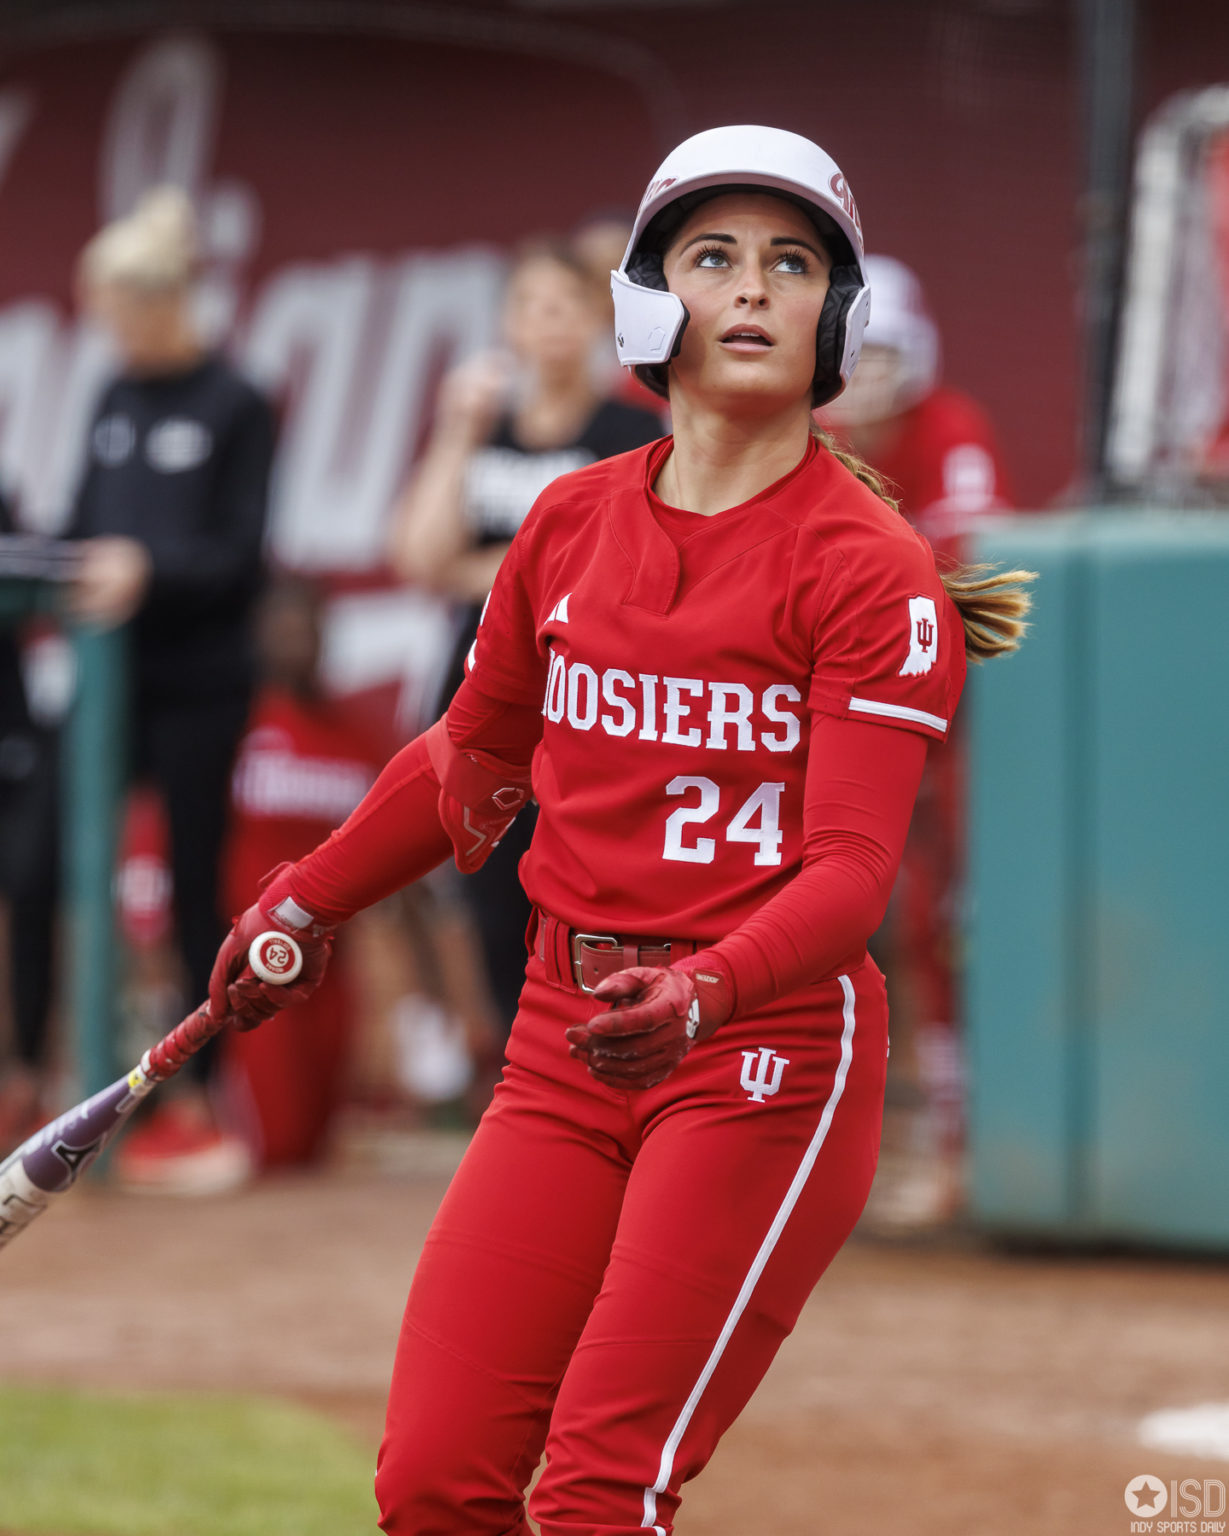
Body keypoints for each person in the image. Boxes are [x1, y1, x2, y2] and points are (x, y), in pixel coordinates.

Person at [209, 126, 1033, 1533]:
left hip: (756, 1057)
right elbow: (472, 757)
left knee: (599, 1493)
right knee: (431, 1485)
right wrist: (307, 900)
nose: (758, 290)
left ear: (837, 319)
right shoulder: (568, 521)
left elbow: (849, 876)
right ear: (651, 305)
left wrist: (707, 987)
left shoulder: (871, 571)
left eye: (794, 263)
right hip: (558, 1042)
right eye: (715, 258)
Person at [389, 239, 661, 1040]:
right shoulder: (486, 429)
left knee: (585, 882)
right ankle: (519, 1055)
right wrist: (456, 431)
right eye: (530, 307)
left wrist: (490, 565)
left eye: (565, 306)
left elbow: (620, 565)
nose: (548, 325)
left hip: (589, 694)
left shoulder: (629, 427)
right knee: (488, 885)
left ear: (594, 320)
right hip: (483, 684)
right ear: (507, 323)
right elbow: (418, 556)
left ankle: (601, 1046)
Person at [66, 187, 277, 1193]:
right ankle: (44, 1076)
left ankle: (198, 1105)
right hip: (108, 681)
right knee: (41, 866)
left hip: (199, 681)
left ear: (163, 302)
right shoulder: (111, 395)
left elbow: (238, 557)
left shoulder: (236, 401)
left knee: (195, 881)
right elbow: (78, 522)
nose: (111, 330)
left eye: (121, 307)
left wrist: (146, 567)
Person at [822, 255, 1015, 1222]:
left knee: (957, 919)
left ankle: (968, 1151)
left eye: (892, 352)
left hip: (959, 712)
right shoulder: (809, 440)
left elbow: (972, 601)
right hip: (845, 710)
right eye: (866, 353)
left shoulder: (952, 430)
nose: (878, 375)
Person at [221, 577, 382, 1168]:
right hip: (252, 960)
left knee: (317, 1144)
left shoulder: (356, 736)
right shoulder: (233, 729)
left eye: (308, 629)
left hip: (333, 960)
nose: (297, 642)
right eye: (282, 629)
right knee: (276, 1141)